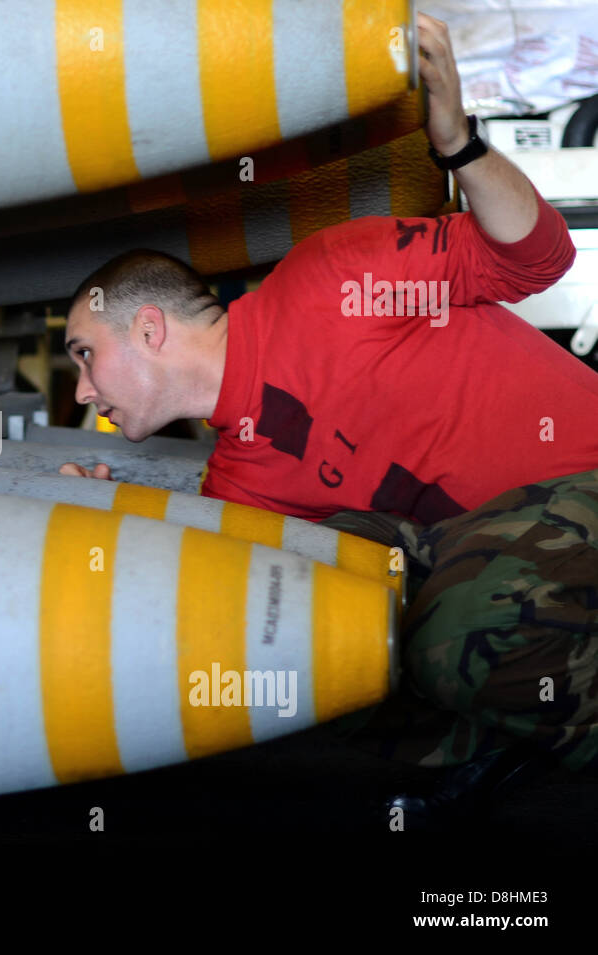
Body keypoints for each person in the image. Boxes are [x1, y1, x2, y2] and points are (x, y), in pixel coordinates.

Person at [58, 13, 598, 827]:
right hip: (514, 561)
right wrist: (111, 518)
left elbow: (540, 258)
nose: (80, 393)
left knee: (461, 617)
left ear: (148, 329)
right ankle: (512, 734)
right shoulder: (238, 482)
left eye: (82, 355)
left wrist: (458, 143)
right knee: (306, 635)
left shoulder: (329, 278)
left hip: (582, 483)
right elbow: (213, 604)